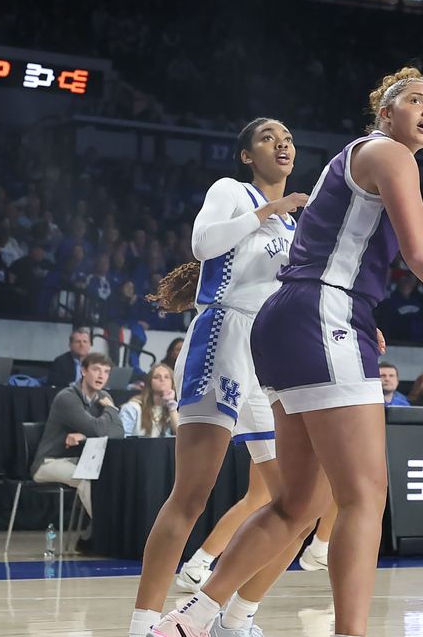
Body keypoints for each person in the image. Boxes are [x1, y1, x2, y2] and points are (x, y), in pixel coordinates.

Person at [155, 71, 423, 637]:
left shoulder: (357, 159)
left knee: (299, 503)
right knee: (363, 496)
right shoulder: (390, 154)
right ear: (385, 114)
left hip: (291, 319)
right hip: (322, 315)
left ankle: (191, 618)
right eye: (415, 100)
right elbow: (419, 253)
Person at [131, 119, 311, 637]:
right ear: (246, 155)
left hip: (272, 355)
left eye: (288, 137)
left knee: (297, 509)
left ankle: (236, 619)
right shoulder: (232, 191)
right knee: (191, 494)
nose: (282, 142)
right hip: (224, 337)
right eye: (268, 137)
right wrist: (266, 211)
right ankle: (142, 626)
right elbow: (203, 243)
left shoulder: (298, 227)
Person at [31, 351, 124, 518]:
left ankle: (91, 535)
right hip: (49, 462)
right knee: (87, 480)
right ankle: (107, 531)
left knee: (111, 476)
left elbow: (118, 432)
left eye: (106, 371)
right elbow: (96, 429)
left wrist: (84, 436)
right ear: (83, 371)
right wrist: (110, 409)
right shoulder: (67, 398)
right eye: (96, 369)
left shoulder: (104, 396)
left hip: (80, 460)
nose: (101, 375)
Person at [123, 363, 181, 438]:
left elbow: (181, 435)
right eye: (157, 377)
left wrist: (171, 406)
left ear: (172, 383)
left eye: (166, 377)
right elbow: (123, 437)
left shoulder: (175, 409)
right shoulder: (133, 408)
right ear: (149, 382)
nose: (162, 379)